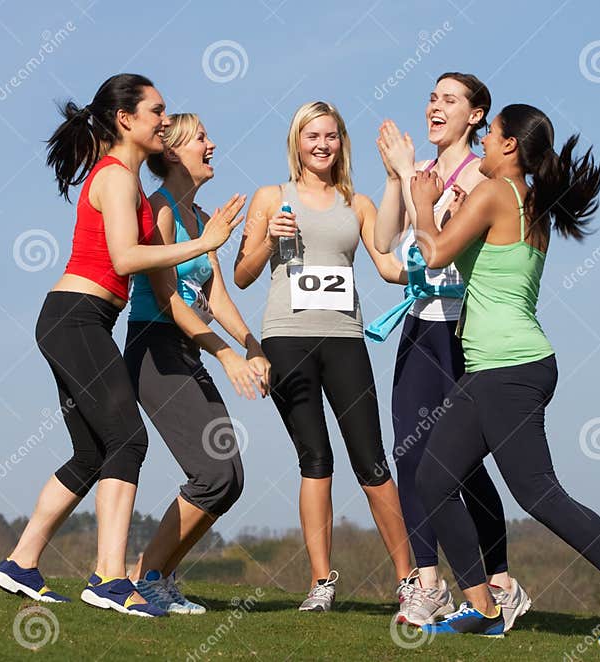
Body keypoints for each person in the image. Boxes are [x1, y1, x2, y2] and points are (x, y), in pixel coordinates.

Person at [401, 103, 600, 646]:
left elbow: (432, 255)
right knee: (434, 479)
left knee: (539, 494)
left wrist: (424, 204)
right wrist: (448, 212)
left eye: (489, 135)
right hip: (498, 368)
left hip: (508, 368)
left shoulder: (493, 193)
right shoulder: (528, 200)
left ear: (509, 145)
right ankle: (483, 608)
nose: (482, 142)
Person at [0, 74, 245, 618]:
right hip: (76, 319)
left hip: (79, 321)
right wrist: (204, 243)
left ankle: (20, 563)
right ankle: (108, 578)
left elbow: (153, 271)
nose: (164, 120)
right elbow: (125, 257)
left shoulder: (123, 178)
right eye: (157, 110)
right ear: (126, 119)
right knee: (128, 440)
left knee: (92, 454)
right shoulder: (116, 177)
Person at [233, 101, 411, 612]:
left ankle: (411, 580)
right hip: (286, 338)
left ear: (341, 143)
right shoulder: (272, 197)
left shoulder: (359, 203)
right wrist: (269, 240)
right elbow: (242, 274)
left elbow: (387, 266)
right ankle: (321, 584)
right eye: (312, 135)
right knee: (315, 458)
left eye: (330, 136)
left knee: (372, 459)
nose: (322, 144)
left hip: (345, 340)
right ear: (297, 142)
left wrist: (431, 273)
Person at [369, 72, 530, 630]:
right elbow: (385, 243)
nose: (435, 106)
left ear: (476, 115)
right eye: (432, 97)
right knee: (411, 456)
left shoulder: (482, 174)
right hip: (419, 325)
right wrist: (396, 178)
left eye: (450, 99)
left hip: (462, 329)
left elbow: (440, 246)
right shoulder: (418, 171)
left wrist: (421, 193)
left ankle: (500, 581)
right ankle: (428, 584)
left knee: (461, 464)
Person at [123, 113, 269, 614]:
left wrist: (251, 344)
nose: (212, 144)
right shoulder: (160, 210)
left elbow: (216, 296)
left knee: (229, 478)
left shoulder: (204, 219)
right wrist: (224, 353)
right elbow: (169, 299)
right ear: (172, 153)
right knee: (213, 473)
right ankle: (146, 576)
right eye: (201, 138)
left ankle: (157, 575)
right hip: (155, 351)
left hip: (187, 348)